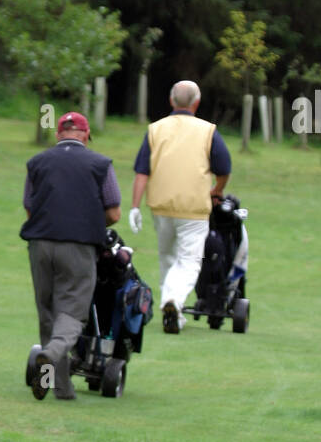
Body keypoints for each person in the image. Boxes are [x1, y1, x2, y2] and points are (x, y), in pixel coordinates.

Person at [21, 111, 121, 400]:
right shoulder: (100, 164)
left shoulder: (37, 162)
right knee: (73, 311)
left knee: (48, 313)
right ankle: (50, 354)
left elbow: (29, 206)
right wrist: (87, 221)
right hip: (78, 246)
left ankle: (60, 388)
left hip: (39, 244)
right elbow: (113, 212)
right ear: (86, 136)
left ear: (58, 135)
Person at [129, 80, 231, 333]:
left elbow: (142, 172)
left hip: (161, 206)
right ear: (196, 102)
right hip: (194, 208)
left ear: (172, 101)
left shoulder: (155, 129)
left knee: (168, 257)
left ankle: (170, 309)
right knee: (190, 261)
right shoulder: (207, 131)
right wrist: (217, 190)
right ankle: (172, 302)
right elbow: (224, 168)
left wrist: (134, 206)